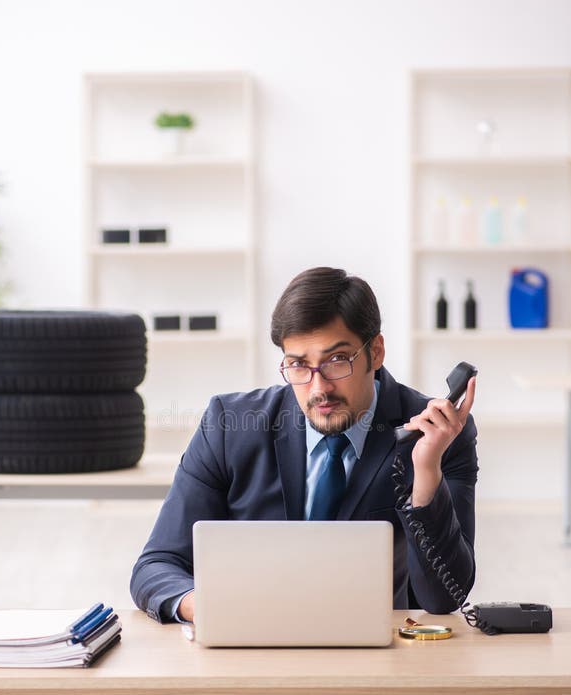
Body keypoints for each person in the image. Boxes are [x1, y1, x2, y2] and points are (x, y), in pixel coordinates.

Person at [131, 266, 478, 623]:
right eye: (298, 365)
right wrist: (203, 606)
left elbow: (444, 598)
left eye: (336, 361)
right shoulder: (227, 425)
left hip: (375, 652)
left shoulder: (436, 433)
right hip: (253, 641)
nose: (318, 389)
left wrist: (424, 476)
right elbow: (156, 565)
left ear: (375, 352)